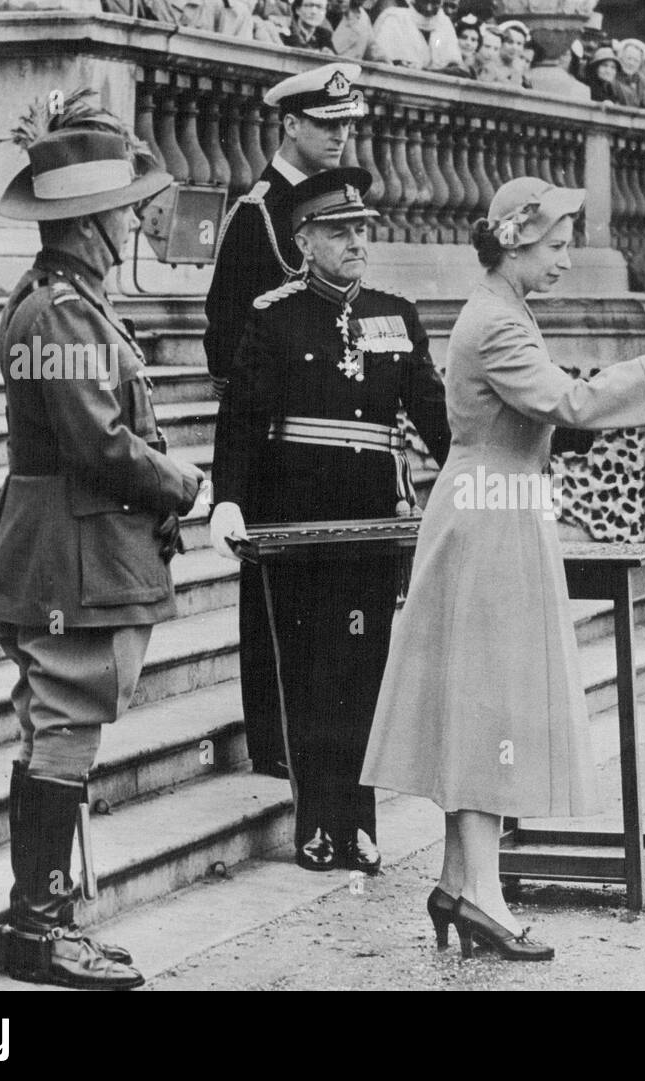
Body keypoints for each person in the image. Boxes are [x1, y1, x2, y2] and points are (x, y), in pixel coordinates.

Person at [360, 176, 645, 961]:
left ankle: (462, 884)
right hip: (490, 518)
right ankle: (484, 896)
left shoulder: (504, 311)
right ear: (516, 239)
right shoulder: (497, 321)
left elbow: (542, 413)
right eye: (557, 245)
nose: (566, 259)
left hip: (496, 506)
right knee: (489, 702)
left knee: (479, 698)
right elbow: (571, 405)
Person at [0, 106, 206, 989]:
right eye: (122, 206)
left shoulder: (73, 303)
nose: (136, 217)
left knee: (56, 732)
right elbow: (101, 446)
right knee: (64, 728)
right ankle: (39, 926)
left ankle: (47, 917)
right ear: (86, 220)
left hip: (70, 545)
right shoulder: (62, 312)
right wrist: (184, 483)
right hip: (70, 550)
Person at [210, 168, 450, 874]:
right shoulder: (274, 314)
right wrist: (230, 497)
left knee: (366, 672)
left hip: (373, 523)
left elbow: (434, 416)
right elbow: (244, 421)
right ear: (303, 240)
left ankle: (362, 823)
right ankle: (317, 821)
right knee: (310, 674)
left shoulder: (395, 315)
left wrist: (470, 477)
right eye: (339, 232)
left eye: (361, 230)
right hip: (297, 521)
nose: (355, 243)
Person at [204, 61, 366, 780]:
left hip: (341, 436)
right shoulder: (258, 214)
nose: (339, 137)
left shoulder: (343, 199)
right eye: (326, 125)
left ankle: (325, 735)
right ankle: (273, 739)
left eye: (346, 125)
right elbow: (224, 336)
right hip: (276, 438)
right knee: (273, 596)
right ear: (290, 124)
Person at [367, 0, 461, 70]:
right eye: (425, 1)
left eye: (434, 2)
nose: (429, 8)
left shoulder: (445, 24)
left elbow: (456, 66)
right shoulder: (394, 18)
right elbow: (381, 62)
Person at [477, 18, 530, 88]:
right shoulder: (487, 63)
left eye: (519, 44)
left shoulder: (517, 69)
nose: (514, 47)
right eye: (510, 42)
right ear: (500, 43)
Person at [612, 38, 645, 109]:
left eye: (636, 60)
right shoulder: (613, 75)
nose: (631, 63)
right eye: (629, 58)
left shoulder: (642, 81)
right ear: (620, 58)